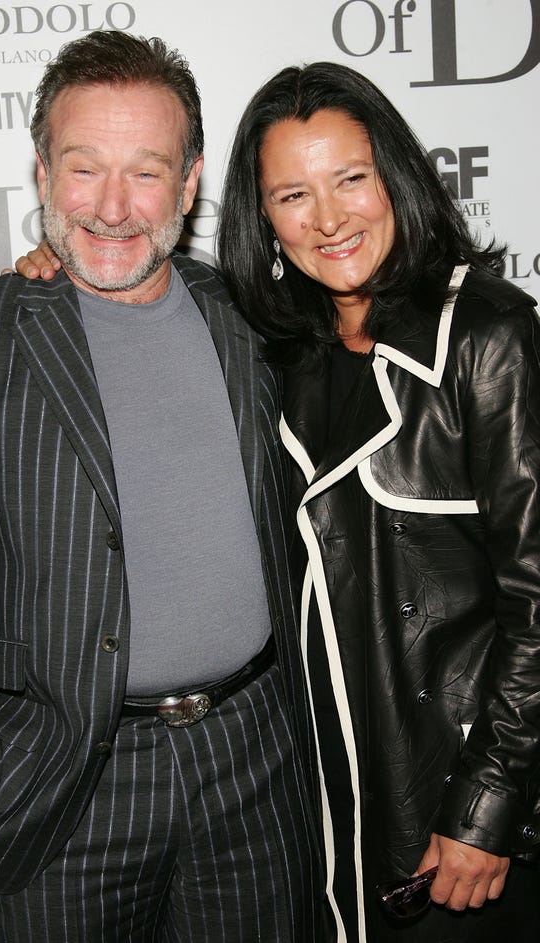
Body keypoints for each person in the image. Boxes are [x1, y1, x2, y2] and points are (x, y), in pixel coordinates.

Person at [0, 30, 327, 943]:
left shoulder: (255, 324)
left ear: (191, 180)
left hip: (256, 761)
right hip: (59, 788)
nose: (111, 207)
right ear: (43, 173)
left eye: (146, 171)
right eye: (83, 167)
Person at [213, 61, 540, 942]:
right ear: (265, 220)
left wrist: (486, 802)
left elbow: (538, 600)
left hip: (453, 812)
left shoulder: (487, 335)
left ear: (394, 177)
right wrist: (52, 269)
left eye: (350, 179)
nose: (329, 218)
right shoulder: (273, 351)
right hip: (317, 812)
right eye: (292, 194)